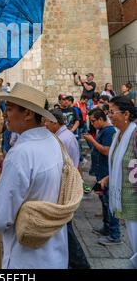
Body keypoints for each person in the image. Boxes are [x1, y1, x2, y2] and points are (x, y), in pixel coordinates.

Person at [0, 83, 68, 269]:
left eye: (9, 109)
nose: (6, 115)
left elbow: (0, 218)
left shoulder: (21, 153)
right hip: (53, 251)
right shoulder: (52, 141)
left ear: (28, 114)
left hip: (27, 258)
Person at [44, 108, 90, 269]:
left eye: (47, 122)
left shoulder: (64, 138)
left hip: (63, 187)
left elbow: (67, 165)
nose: (45, 125)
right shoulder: (63, 136)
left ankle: (80, 263)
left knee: (66, 229)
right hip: (63, 186)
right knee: (65, 228)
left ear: (55, 123)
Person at [99, 97, 137, 267]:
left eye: (112, 111)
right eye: (108, 111)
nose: (109, 115)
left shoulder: (134, 135)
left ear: (126, 114)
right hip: (126, 199)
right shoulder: (118, 136)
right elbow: (121, 163)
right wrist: (109, 177)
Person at [84, 108, 120, 244]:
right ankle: (107, 228)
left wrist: (91, 140)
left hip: (107, 174)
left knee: (110, 203)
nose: (92, 124)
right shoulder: (102, 130)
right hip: (101, 173)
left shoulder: (110, 131)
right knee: (104, 202)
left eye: (93, 121)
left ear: (100, 119)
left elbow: (106, 151)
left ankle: (115, 234)